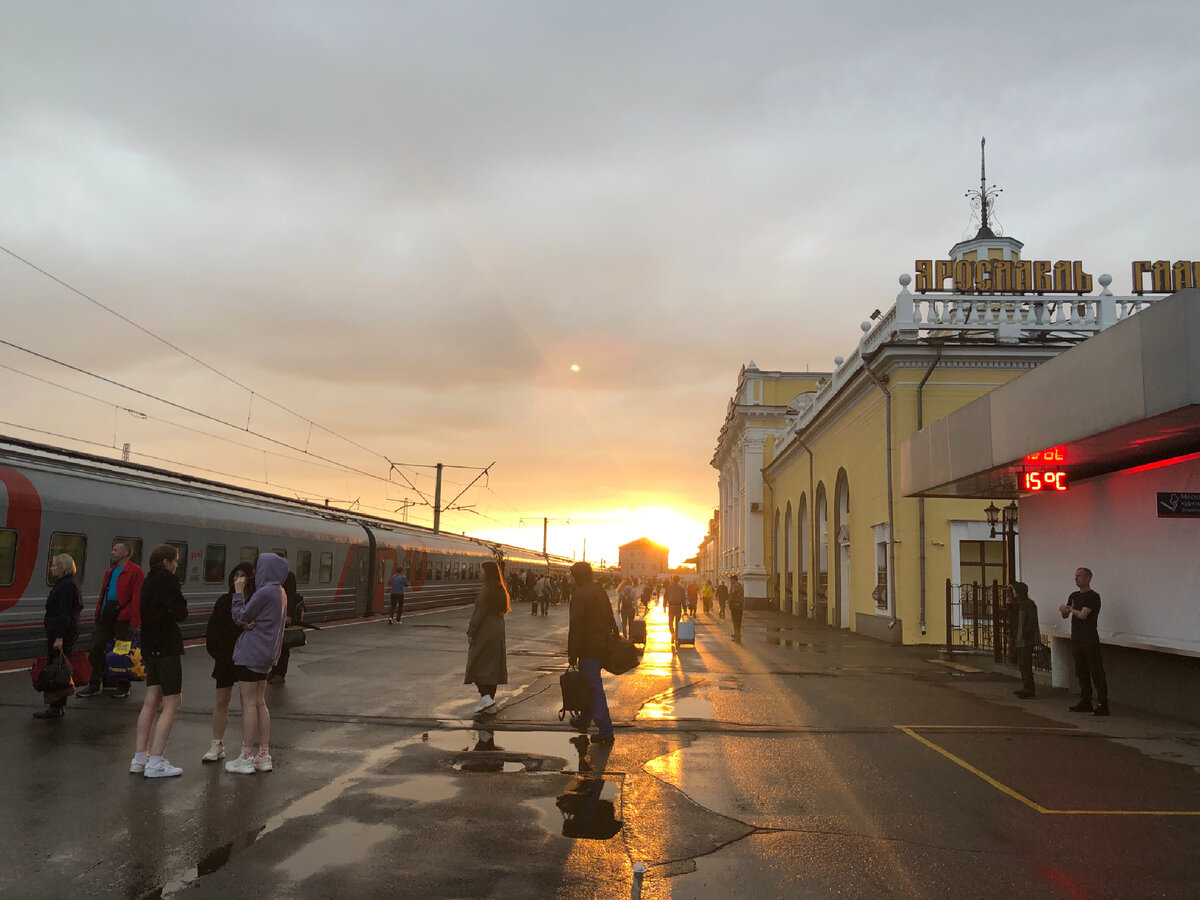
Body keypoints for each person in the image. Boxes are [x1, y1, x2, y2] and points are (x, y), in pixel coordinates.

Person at [226, 552, 289, 774]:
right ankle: (263, 754)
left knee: (248, 704)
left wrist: (238, 592)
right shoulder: (280, 592)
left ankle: (245, 755)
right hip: (267, 655)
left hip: (250, 653)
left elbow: (240, 616)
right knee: (260, 703)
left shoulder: (264, 592)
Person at [131, 545, 189, 778]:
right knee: (172, 702)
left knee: (151, 700)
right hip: (167, 646)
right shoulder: (168, 580)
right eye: (175, 561)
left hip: (149, 645)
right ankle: (156, 761)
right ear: (165, 562)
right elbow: (180, 613)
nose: (176, 565)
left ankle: (140, 758)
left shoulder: (148, 580)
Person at [78, 541, 144, 699]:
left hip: (124, 619)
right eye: (113, 549)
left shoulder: (135, 572)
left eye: (116, 550)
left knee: (121, 652)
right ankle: (95, 683)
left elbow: (137, 597)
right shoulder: (110, 571)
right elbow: (104, 594)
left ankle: (122, 684)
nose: (112, 552)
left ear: (126, 554)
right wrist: (98, 614)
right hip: (106, 616)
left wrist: (135, 621)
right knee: (96, 648)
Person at [203, 562, 253, 763]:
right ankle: (216, 744)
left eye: (242, 576)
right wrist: (217, 652)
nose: (238, 579)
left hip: (248, 657)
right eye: (235, 575)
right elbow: (213, 629)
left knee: (247, 703)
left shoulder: (254, 602)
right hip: (225, 657)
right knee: (221, 701)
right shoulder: (224, 601)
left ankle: (247, 747)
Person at [567, 561, 618, 743]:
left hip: (588, 647)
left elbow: (577, 627)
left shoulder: (579, 595)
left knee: (594, 687)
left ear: (577, 576)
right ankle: (584, 719)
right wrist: (615, 633)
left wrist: (572, 653)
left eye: (572, 576)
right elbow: (609, 614)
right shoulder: (598, 590)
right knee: (588, 684)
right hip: (601, 645)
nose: (571, 579)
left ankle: (606, 729)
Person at [34, 554, 83, 719]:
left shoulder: (65, 586)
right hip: (63, 631)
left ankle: (55, 706)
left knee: (56, 669)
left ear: (63, 567)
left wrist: (59, 637)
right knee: (59, 667)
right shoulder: (68, 583)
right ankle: (58, 705)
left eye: (54, 565)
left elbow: (64, 613)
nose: (51, 568)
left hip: (60, 632)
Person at [1059, 566, 1108, 716]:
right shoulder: (1074, 595)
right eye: (1075, 576)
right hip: (1077, 639)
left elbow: (1083, 615)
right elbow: (1066, 616)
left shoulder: (1093, 597)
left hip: (1089, 639)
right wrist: (1063, 611)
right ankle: (1085, 701)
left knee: (1096, 671)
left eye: (1079, 576)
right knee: (1081, 671)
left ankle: (1102, 703)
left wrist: (1071, 610)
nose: (1076, 578)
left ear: (1087, 578)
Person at [464, 559, 510, 715]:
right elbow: (503, 610)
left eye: (481, 571)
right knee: (492, 669)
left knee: (475, 665)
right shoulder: (501, 589)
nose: (479, 573)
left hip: (485, 630)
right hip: (498, 629)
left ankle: (486, 698)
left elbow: (479, 613)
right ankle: (489, 703)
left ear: (488, 574)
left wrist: (471, 632)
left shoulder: (486, 591)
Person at [269, 572, 304, 684]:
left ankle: (280, 673)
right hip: (274, 614)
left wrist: (288, 614)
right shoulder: (274, 575)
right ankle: (274, 671)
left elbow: (290, 594)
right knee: (274, 645)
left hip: (283, 615)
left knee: (283, 645)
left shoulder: (288, 576)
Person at [1010, 582, 1039, 699]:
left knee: (1025, 664)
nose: (1013, 593)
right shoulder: (1021, 604)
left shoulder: (1029, 604)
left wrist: (1026, 634)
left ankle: (1029, 689)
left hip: (1026, 640)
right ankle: (1026, 687)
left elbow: (1030, 622)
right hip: (1022, 639)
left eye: (1014, 590)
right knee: (1022, 664)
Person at [664, 575, 685, 643]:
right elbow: (683, 599)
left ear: (673, 579)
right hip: (678, 606)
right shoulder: (681, 588)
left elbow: (665, 597)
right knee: (677, 622)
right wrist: (684, 608)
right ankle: (676, 635)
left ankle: (672, 633)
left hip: (671, 606)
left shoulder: (669, 587)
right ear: (678, 580)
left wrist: (664, 605)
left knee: (670, 622)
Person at [729, 574, 745, 642]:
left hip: (736, 606)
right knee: (736, 621)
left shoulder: (736, 586)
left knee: (736, 621)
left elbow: (734, 595)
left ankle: (738, 637)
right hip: (736, 606)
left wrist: (731, 602)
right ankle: (736, 634)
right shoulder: (736, 585)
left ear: (734, 579)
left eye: (731, 580)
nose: (730, 581)